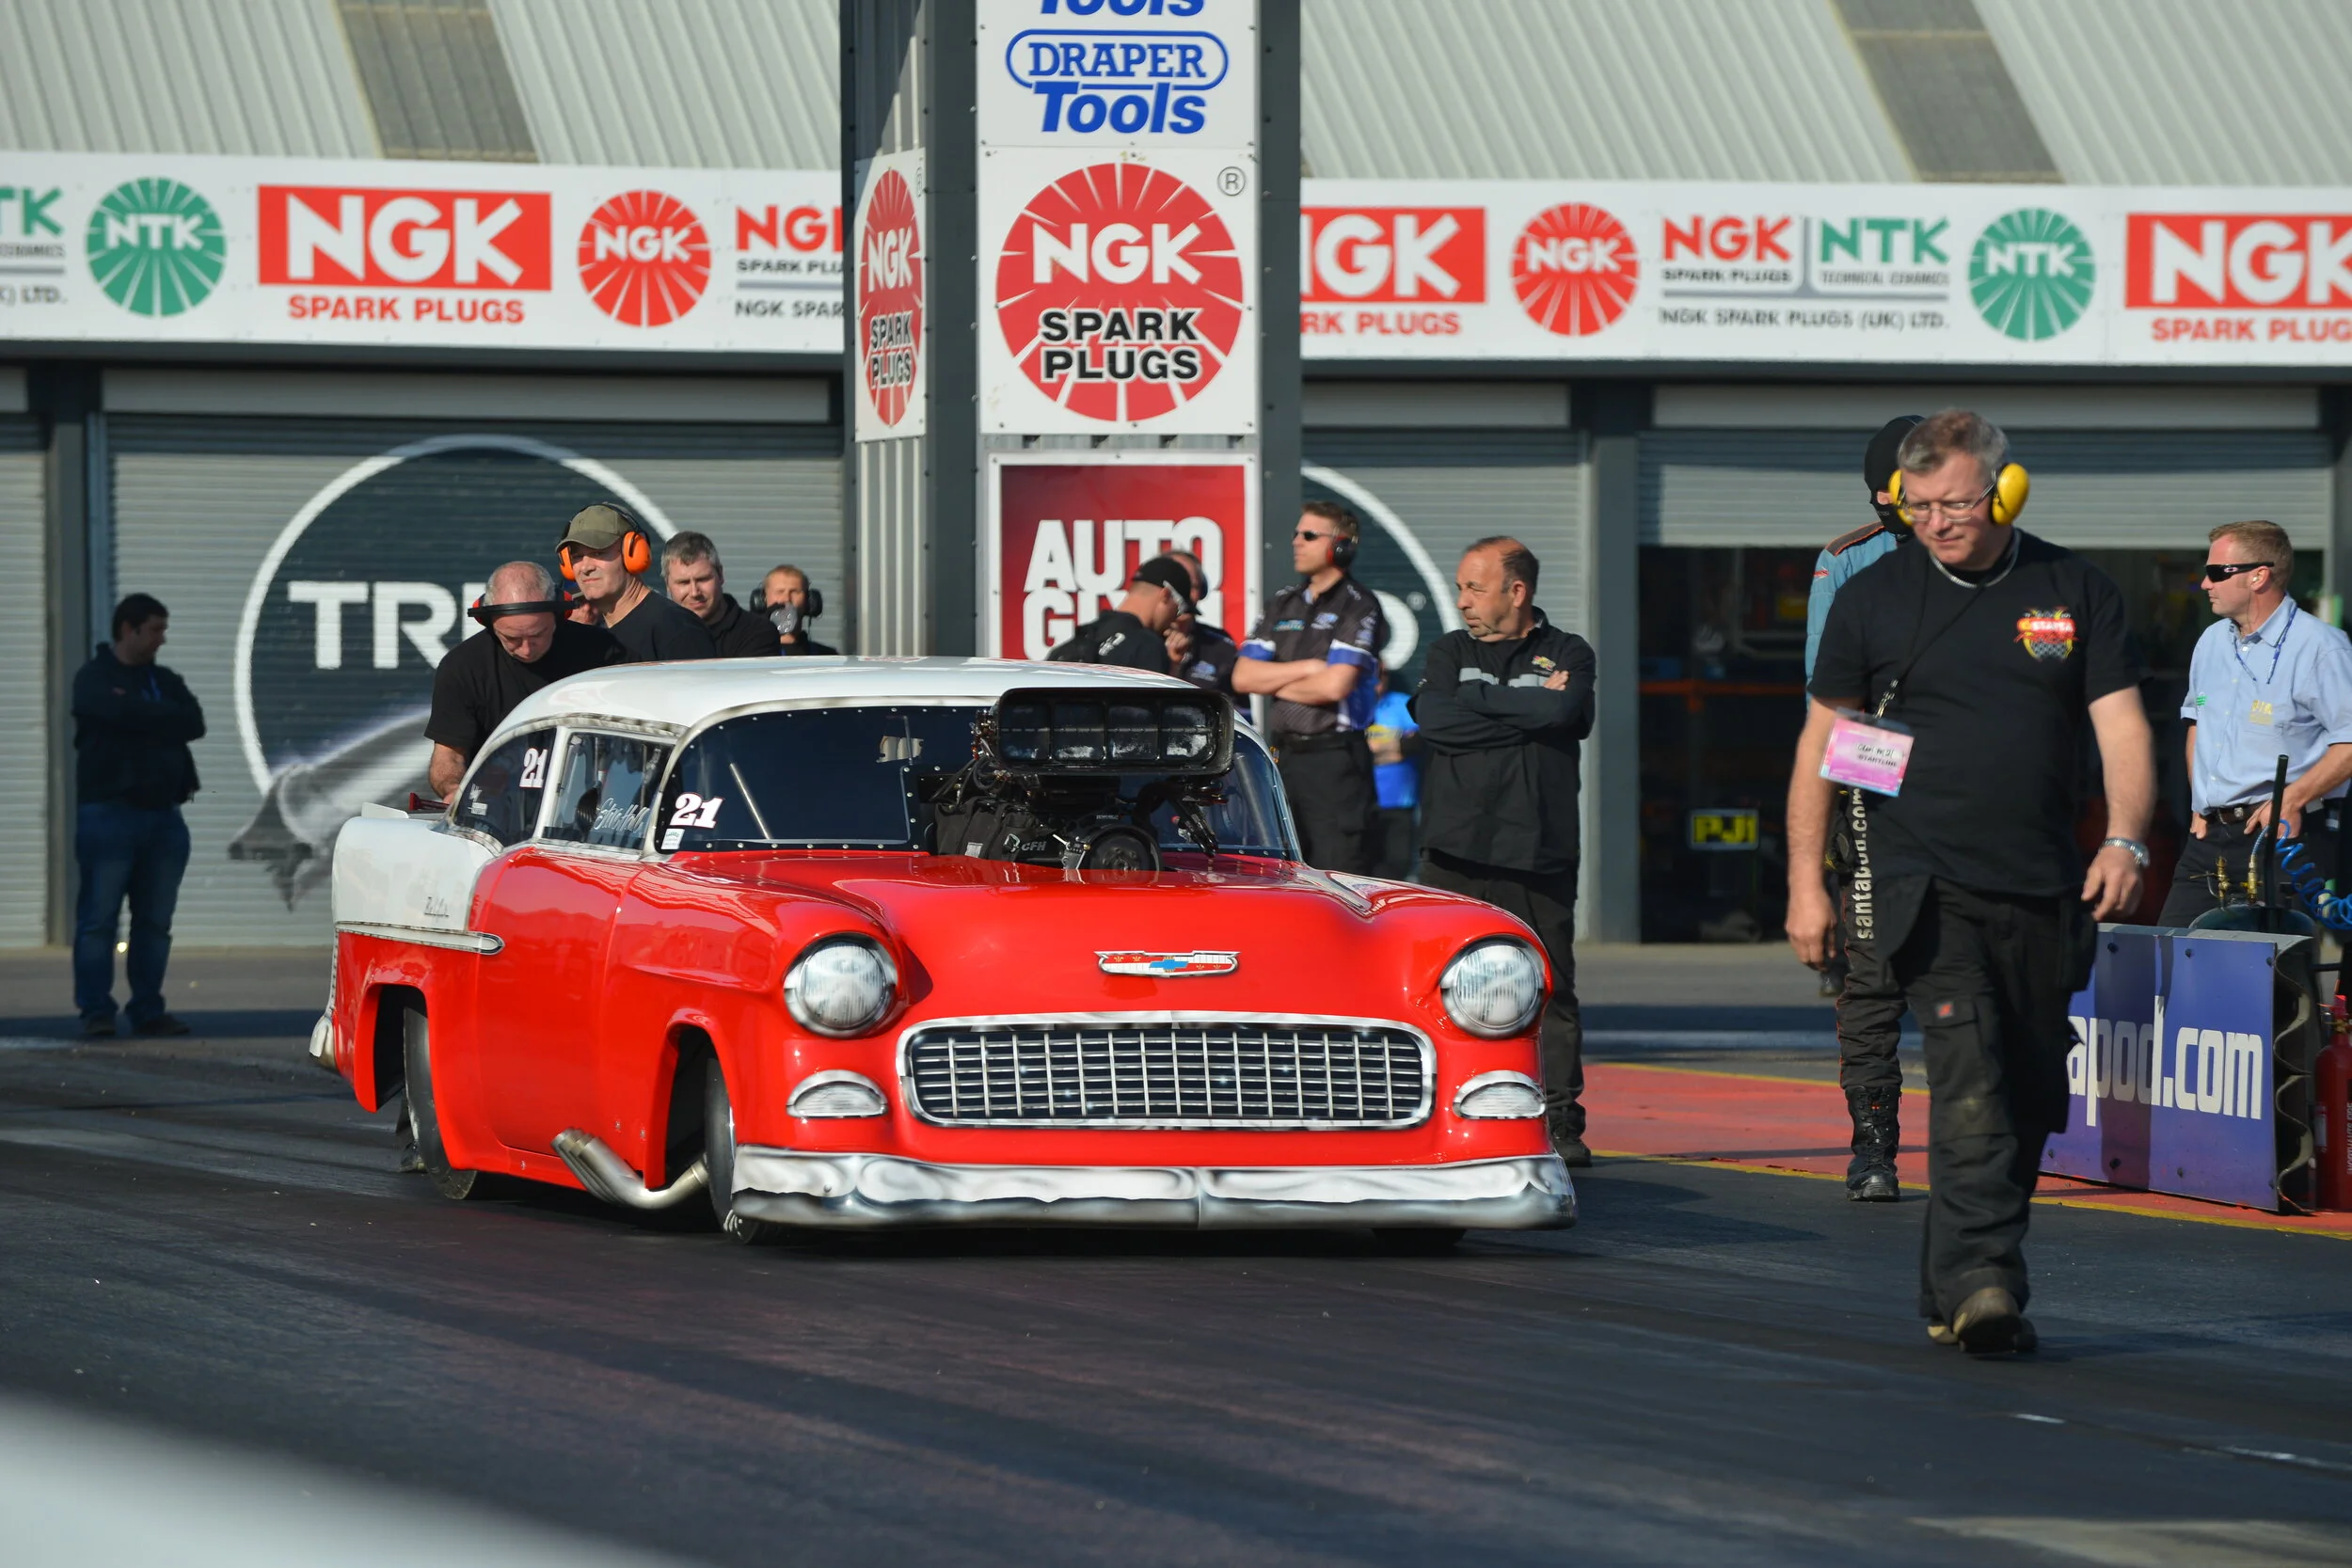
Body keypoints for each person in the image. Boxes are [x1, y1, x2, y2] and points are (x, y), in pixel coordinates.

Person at [1788, 409, 2153, 1355]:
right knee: (1971, 1078)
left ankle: (1947, 1279)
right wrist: (1805, 883)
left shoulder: (2073, 589)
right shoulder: (1871, 597)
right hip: (1921, 882)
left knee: (2029, 1094)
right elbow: (1825, 740)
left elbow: (2120, 725)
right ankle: (1989, 1281)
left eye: (1954, 504)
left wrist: (2124, 840)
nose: (1937, 523)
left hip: (2042, 886)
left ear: (2003, 492)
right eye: (1919, 507)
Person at [1412, 538, 1596, 1164]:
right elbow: (1434, 721)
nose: (1463, 601)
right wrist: (1531, 711)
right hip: (1453, 852)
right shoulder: (1448, 651)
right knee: (1436, 989)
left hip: (1538, 852)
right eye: (1460, 588)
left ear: (1517, 592)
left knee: (1549, 987)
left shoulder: (1569, 651)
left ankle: (1562, 1120)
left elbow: (1565, 712)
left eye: (1475, 588)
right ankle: (1435, 1112)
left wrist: (1475, 700)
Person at [1806, 414, 1922, 1203]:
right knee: (1873, 977)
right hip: (1875, 790)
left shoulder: (2004, 560)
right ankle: (1873, 1146)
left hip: (1973, 793)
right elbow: (1827, 700)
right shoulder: (1849, 560)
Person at [2160, 521, 2352, 925]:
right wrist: (2200, 801)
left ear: (2258, 576)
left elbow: (2349, 742)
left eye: (2217, 572)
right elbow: (2197, 722)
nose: (2205, 584)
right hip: (2207, 839)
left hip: (2282, 837)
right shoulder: (2210, 641)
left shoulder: (2321, 647)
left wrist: (2293, 799)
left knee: (2272, 962)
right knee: (2172, 951)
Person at [72, 594, 204, 1038]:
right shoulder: (94, 678)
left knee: (154, 923)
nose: (161, 639)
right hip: (109, 816)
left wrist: (139, 712)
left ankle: (148, 1009)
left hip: (163, 818)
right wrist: (158, 718)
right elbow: (111, 710)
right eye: (155, 630)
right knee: (98, 920)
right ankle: (96, 1011)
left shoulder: (163, 680)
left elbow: (193, 722)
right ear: (128, 629)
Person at [1234, 501, 1389, 872]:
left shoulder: (1359, 605)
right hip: (1283, 757)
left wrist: (1273, 681)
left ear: (1341, 546)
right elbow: (1243, 677)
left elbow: (1334, 686)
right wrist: (1307, 668)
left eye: (1308, 535)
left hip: (1335, 762)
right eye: (1295, 534)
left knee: (1339, 874)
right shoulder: (1282, 602)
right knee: (1281, 873)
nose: (1296, 542)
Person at [426, 562, 625, 799]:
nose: (527, 649)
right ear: (488, 622)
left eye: (538, 634)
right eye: (512, 638)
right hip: (495, 806)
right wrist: (454, 790)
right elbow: (449, 755)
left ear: (560, 615)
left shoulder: (606, 653)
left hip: (589, 803)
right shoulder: (462, 667)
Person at [559, 504, 716, 661]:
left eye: (598, 553)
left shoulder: (676, 628)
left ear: (633, 553)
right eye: (577, 557)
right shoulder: (597, 638)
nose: (586, 567)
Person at [1046, 557, 1192, 673]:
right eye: (1180, 609)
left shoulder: (1071, 646)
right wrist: (1171, 670)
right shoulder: (1148, 646)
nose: (1176, 618)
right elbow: (1156, 702)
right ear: (1165, 595)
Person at [663, 531, 781, 657]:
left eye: (703, 579)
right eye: (684, 582)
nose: (694, 592)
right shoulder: (655, 633)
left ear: (720, 575)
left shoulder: (757, 632)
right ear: (667, 584)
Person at [1366, 667, 1421, 879]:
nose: (1376, 682)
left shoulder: (1403, 704)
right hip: (1360, 803)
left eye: (1380, 675)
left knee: (1399, 868)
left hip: (1399, 802)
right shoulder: (1351, 704)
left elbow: (1415, 745)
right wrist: (1394, 747)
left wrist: (1371, 751)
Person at [1160, 547, 1238, 694]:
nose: (1183, 595)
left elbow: (1236, 706)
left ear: (1202, 591)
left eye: (1192, 586)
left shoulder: (1221, 645)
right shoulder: (1140, 643)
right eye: (1176, 586)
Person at [756, 564, 838, 657]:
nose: (786, 599)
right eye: (779, 592)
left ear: (808, 600)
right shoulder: (750, 654)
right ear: (763, 599)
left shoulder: (826, 656)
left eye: (795, 592)